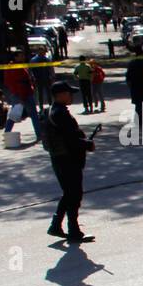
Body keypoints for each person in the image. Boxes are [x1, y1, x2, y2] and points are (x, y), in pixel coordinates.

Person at [41, 81, 97, 243]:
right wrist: (87, 144)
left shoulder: (49, 111)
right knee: (74, 194)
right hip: (68, 159)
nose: (71, 96)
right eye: (69, 93)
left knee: (69, 193)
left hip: (59, 158)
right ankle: (74, 230)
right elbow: (71, 139)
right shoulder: (60, 114)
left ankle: (56, 225)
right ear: (61, 95)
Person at [2, 52, 43, 142]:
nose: (23, 57)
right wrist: (21, 96)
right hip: (21, 94)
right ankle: (39, 135)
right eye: (21, 55)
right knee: (30, 115)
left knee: (15, 115)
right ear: (15, 57)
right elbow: (18, 82)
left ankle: (7, 133)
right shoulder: (14, 68)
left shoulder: (20, 66)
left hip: (22, 93)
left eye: (23, 55)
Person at [125, 56, 143, 131]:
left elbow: (127, 79)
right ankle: (140, 121)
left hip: (135, 87)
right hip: (140, 88)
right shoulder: (140, 69)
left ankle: (141, 120)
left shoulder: (131, 69)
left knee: (139, 105)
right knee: (140, 105)